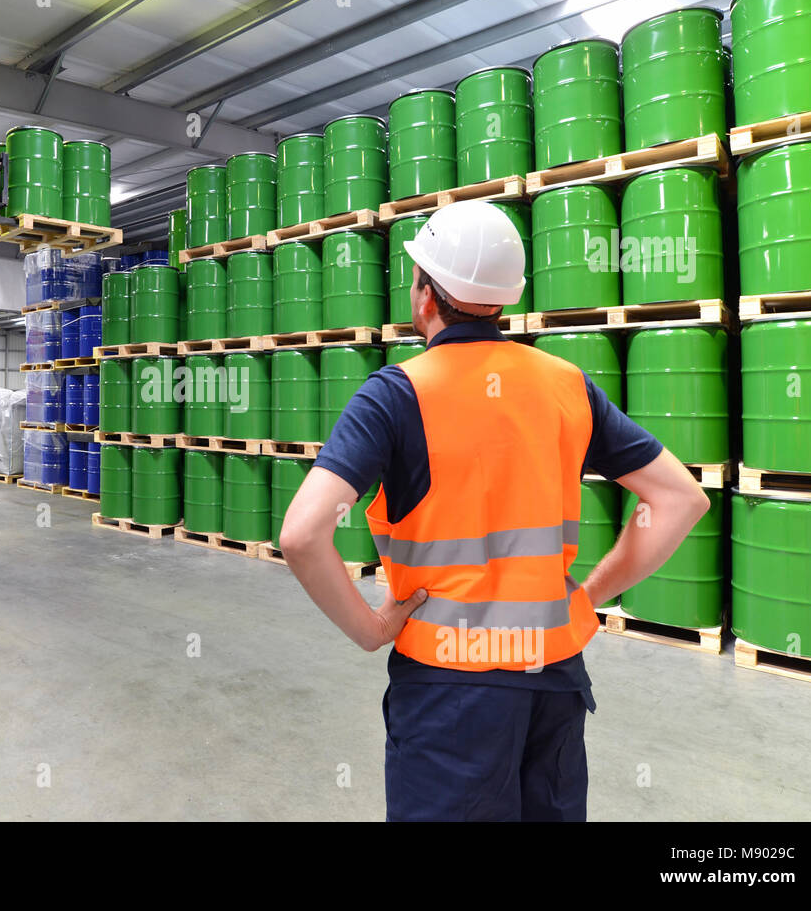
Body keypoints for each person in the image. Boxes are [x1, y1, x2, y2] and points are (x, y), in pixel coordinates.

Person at [278, 200, 709, 822]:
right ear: (501, 300)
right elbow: (679, 499)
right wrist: (585, 596)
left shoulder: (396, 395)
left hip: (450, 692)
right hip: (553, 677)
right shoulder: (565, 384)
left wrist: (371, 630)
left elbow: (301, 534)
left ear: (426, 295)